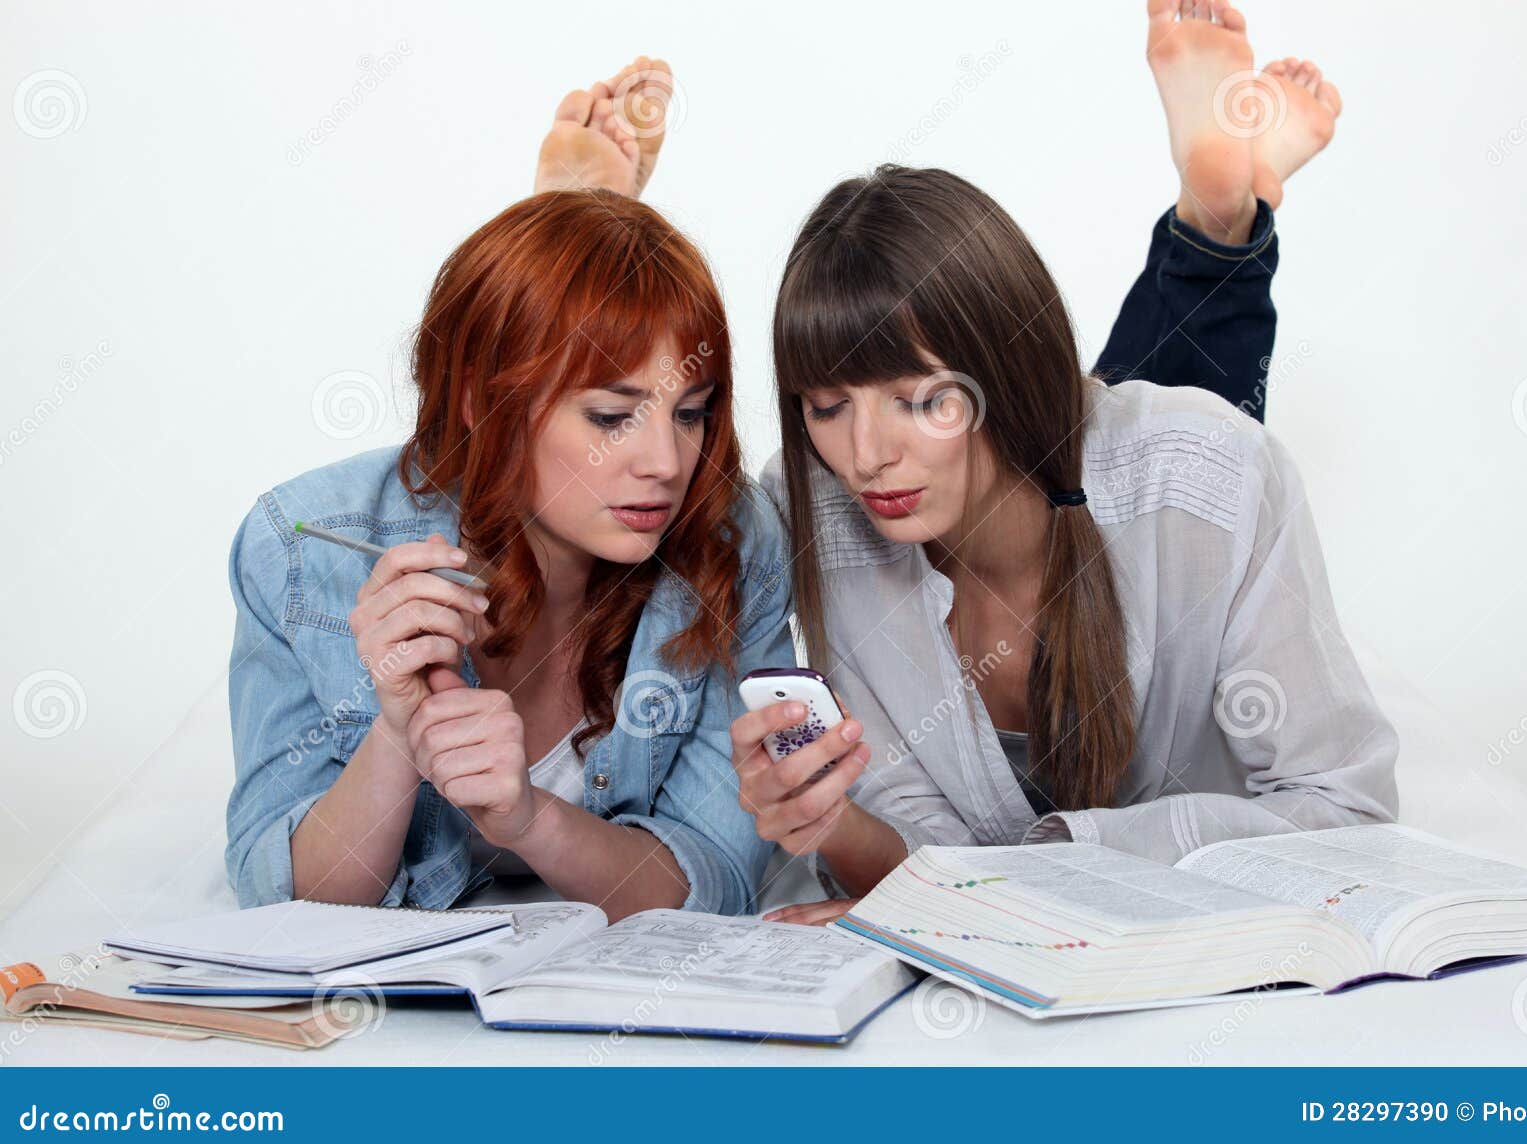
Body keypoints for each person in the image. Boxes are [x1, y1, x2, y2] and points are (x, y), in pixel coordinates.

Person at [735, 0, 1393, 924]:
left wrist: (1002, 891)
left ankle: (1219, 222)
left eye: (918, 399)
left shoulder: (1208, 474)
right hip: (1072, 444)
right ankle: (1221, 215)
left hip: (1132, 457)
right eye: (825, 406)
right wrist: (829, 823)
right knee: (1144, 432)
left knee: (1172, 442)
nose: (864, 455)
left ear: (991, 375)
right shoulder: (816, 507)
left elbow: (1349, 815)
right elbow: (920, 845)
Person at [224, 112, 794, 916]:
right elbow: (282, 895)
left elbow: (716, 878)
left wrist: (531, 819)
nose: (667, 464)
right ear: (479, 403)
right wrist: (396, 736)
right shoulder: (302, 544)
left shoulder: (732, 537)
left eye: (691, 412)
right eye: (610, 417)